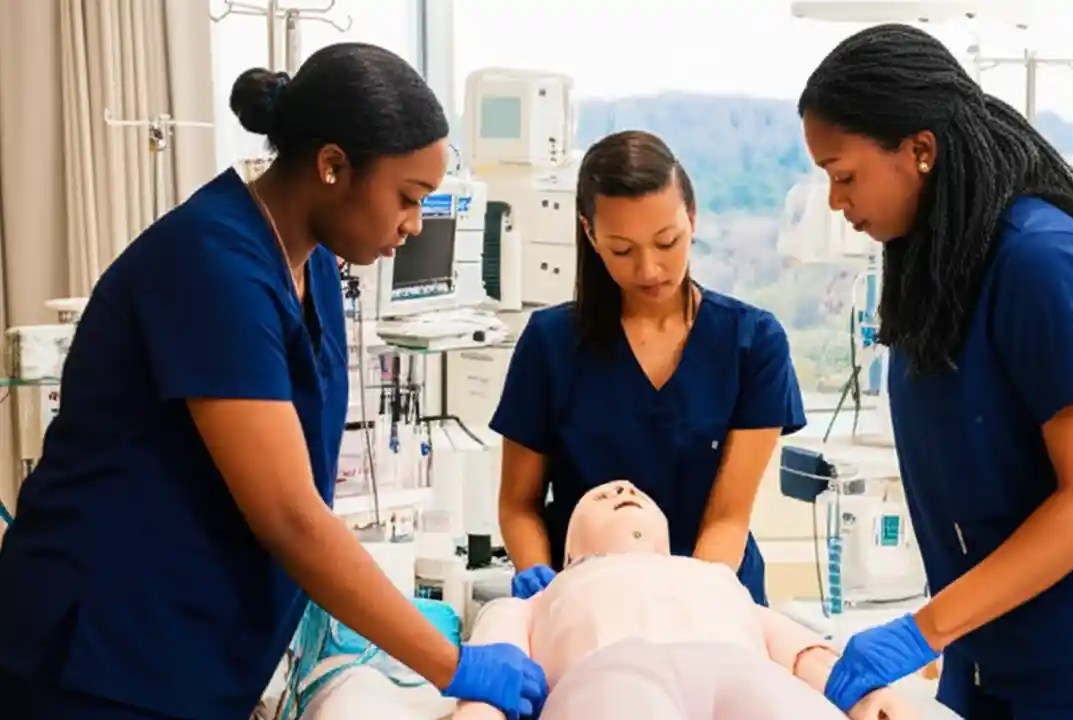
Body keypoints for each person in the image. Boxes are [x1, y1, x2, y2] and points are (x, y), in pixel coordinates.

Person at [0, 43, 546, 720]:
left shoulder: (311, 266)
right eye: (408, 199)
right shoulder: (212, 266)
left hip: (189, 647)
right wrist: (453, 666)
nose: (413, 226)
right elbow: (289, 516)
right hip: (102, 654)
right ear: (332, 165)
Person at [796, 24, 1073, 719]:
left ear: (920, 150)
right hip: (995, 649)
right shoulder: (935, 267)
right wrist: (946, 632)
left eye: (844, 176)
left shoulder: (1039, 262)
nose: (838, 203)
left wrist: (923, 628)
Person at [491, 130, 806, 606]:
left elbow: (727, 518)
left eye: (667, 242)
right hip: (585, 602)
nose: (649, 270)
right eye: (622, 250)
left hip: (713, 594)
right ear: (590, 234)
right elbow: (519, 503)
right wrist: (539, 575)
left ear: (692, 218)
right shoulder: (550, 343)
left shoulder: (753, 342)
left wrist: (689, 606)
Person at [455, 480, 922, 720]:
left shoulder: (718, 579)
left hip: (745, 668)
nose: (622, 490)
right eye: (602, 496)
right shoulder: (544, 595)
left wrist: (867, 696)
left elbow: (801, 656)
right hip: (613, 668)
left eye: (634, 492)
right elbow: (495, 669)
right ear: (570, 553)